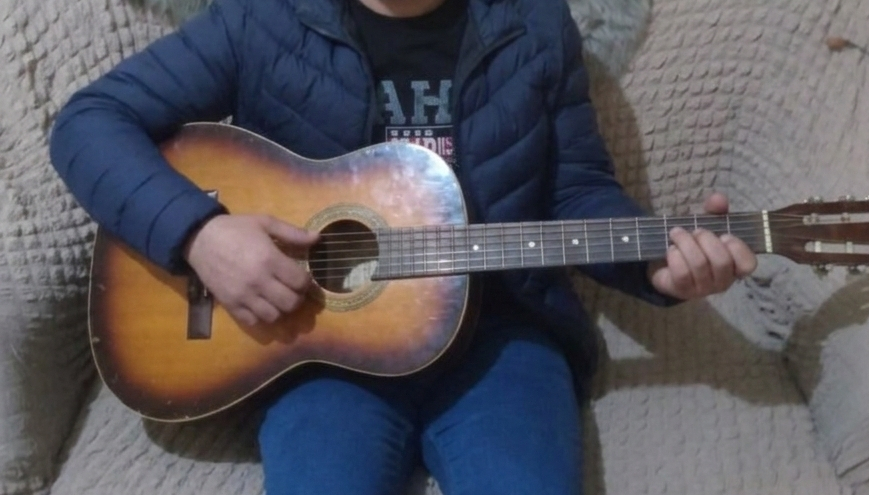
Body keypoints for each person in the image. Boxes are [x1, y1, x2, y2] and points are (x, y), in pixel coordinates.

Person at [49, 0, 757, 493]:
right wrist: (199, 233)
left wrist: (658, 264)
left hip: (501, 337)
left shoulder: (535, 21)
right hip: (318, 347)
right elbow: (89, 122)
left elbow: (577, 192)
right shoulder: (263, 16)